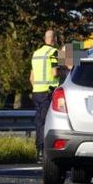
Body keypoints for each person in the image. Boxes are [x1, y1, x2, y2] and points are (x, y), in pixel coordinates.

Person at [30, 29, 59, 162]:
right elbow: (54, 73)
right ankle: (42, 151)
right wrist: (63, 70)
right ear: (54, 39)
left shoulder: (36, 53)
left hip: (36, 91)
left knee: (39, 121)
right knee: (45, 122)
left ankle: (39, 151)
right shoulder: (54, 52)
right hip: (47, 92)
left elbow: (31, 77)